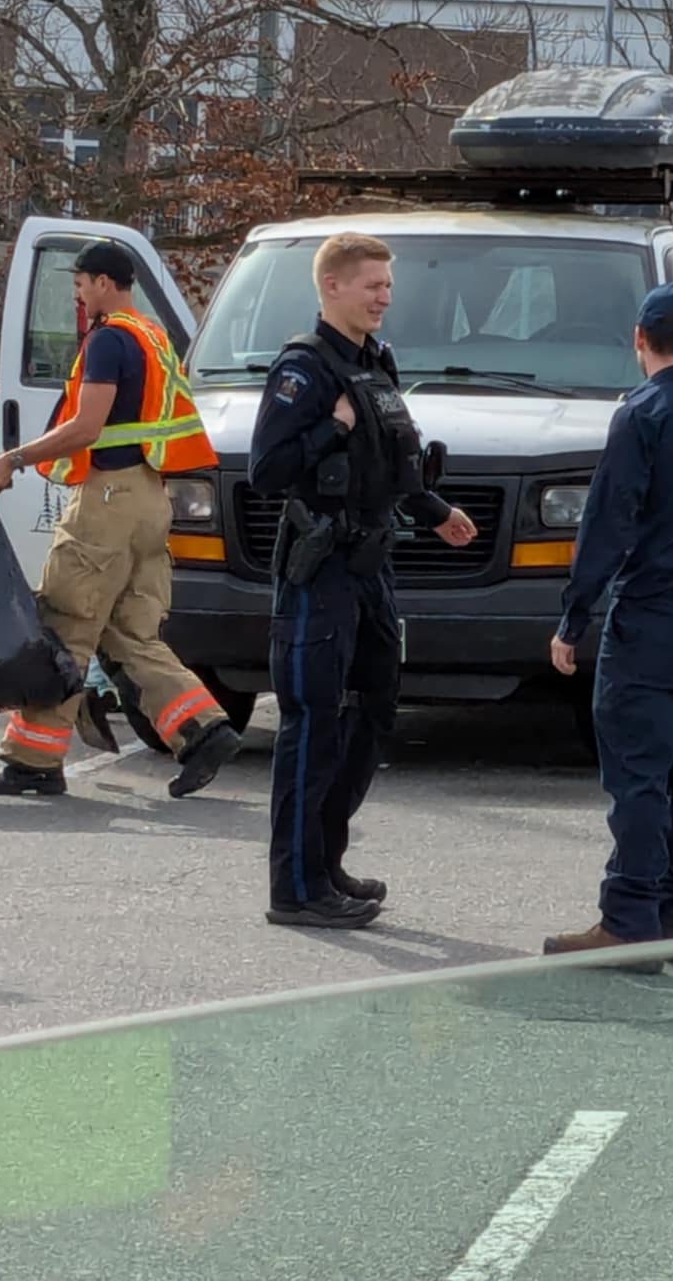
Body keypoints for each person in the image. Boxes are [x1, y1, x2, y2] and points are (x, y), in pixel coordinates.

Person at [248, 232, 478, 929]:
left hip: (371, 566)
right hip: (319, 572)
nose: (384, 296)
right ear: (333, 288)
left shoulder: (376, 362)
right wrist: (328, 429)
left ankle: (326, 861)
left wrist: (435, 512)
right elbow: (267, 470)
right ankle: (295, 888)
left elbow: (393, 462)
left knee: (373, 715)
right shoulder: (303, 370)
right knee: (313, 724)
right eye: (372, 284)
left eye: (387, 284)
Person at [0, 241, 240, 799]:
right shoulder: (153, 338)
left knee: (66, 623)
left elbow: (86, 428)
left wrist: (13, 458)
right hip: (150, 496)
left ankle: (33, 763)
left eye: (79, 284)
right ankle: (204, 730)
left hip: (108, 499)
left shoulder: (109, 339)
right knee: (128, 631)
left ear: (100, 282)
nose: (77, 293)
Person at [543, 283, 673, 965]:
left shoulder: (642, 415)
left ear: (639, 339)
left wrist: (574, 614)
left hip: (653, 610)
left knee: (638, 774)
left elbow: (609, 521)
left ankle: (627, 920)